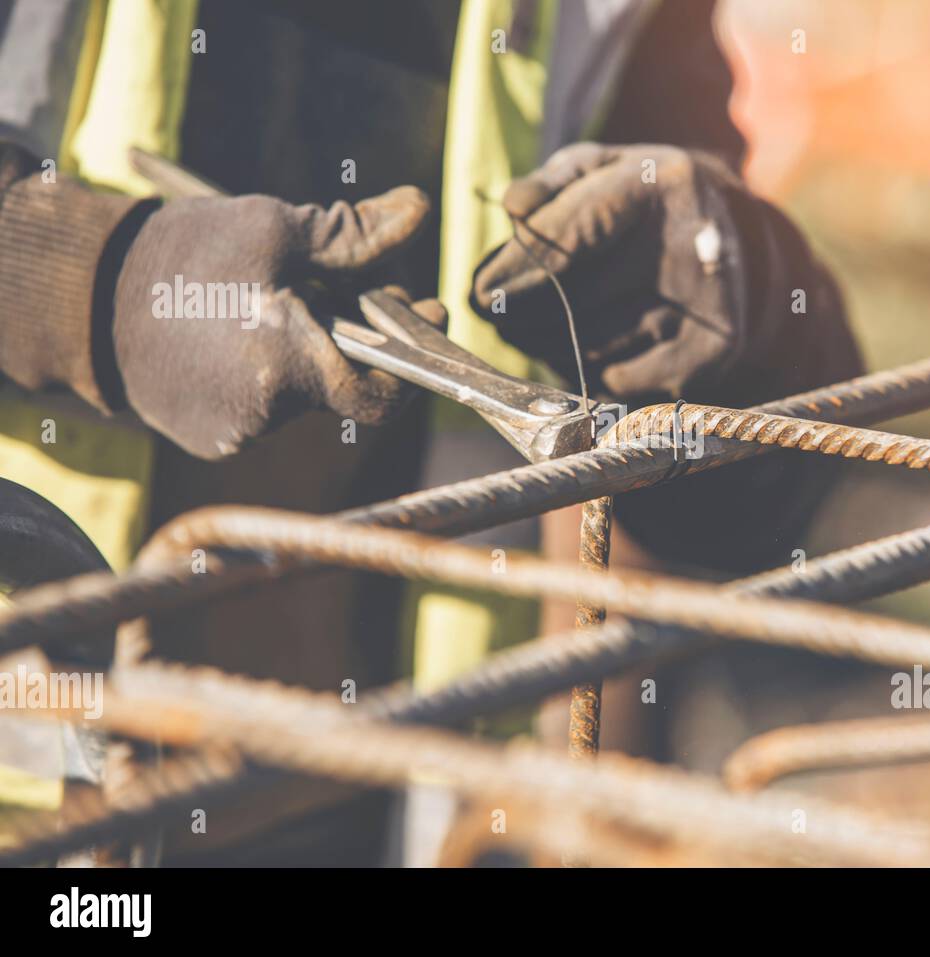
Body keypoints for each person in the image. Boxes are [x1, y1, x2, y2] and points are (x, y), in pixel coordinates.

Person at [0, 0, 861, 864]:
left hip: (419, 807)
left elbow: (766, 496)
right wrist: (90, 277)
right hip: (44, 802)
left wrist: (743, 298)